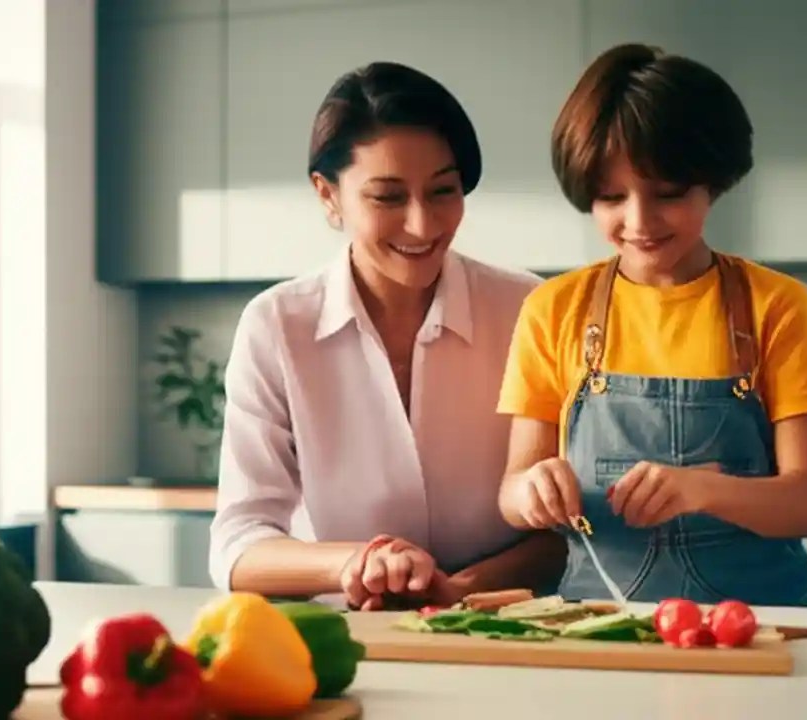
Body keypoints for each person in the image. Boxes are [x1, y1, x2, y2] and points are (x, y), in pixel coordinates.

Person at [209, 61, 567, 610]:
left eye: (443, 191)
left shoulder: (528, 309)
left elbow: (565, 528)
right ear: (328, 195)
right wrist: (358, 564)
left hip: (505, 625)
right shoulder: (276, 325)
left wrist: (461, 591)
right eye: (388, 197)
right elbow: (238, 544)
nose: (422, 225)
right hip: (343, 632)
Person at [496, 43, 807, 608]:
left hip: (758, 626)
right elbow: (512, 492)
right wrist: (531, 492)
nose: (639, 221)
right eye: (611, 197)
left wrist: (704, 489)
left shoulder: (776, 306)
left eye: (668, 194)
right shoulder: (553, 309)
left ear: (714, 182)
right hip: (601, 623)